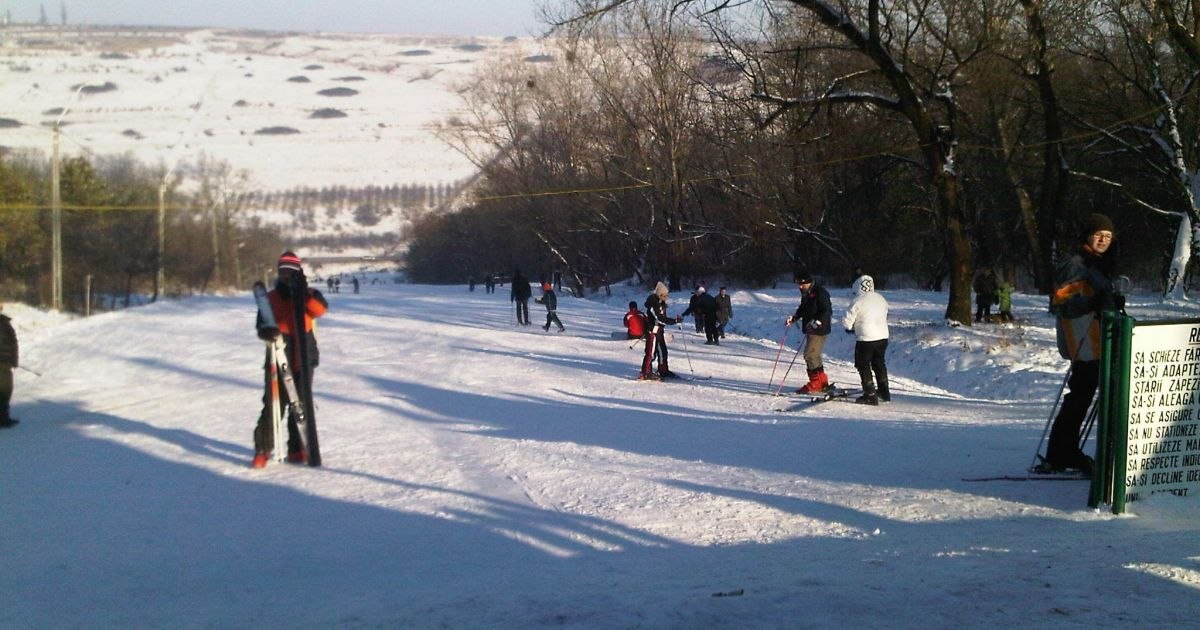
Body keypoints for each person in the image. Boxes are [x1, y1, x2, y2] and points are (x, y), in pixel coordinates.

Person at [1044, 213, 1119, 475]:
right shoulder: (1076, 262)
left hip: (1099, 339)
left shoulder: (1097, 263)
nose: (1103, 240)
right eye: (1098, 234)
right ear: (1088, 236)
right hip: (1084, 340)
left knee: (1083, 396)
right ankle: (1062, 452)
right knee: (1080, 396)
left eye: (1108, 236)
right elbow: (1060, 300)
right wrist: (1094, 303)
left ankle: (1064, 452)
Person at [252, 252, 329, 468]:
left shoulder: (310, 294)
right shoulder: (271, 298)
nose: (287, 276)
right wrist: (266, 332)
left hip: (304, 357)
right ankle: (263, 449)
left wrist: (303, 294)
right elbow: (261, 324)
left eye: (291, 272)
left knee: (302, 404)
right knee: (274, 403)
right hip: (278, 356)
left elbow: (320, 310)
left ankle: (298, 448)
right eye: (283, 272)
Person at [842, 274, 890, 405]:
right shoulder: (881, 298)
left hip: (866, 338)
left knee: (863, 365)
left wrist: (849, 328)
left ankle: (870, 394)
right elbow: (886, 313)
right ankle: (884, 392)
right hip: (883, 337)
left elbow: (847, 320)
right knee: (879, 363)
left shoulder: (858, 300)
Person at [786, 271, 833, 394]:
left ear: (809, 282)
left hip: (818, 329)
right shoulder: (806, 293)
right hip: (810, 328)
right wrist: (794, 318)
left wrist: (817, 321)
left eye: (802, 284)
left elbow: (827, 311)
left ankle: (816, 383)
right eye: (798, 284)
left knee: (809, 355)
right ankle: (822, 381)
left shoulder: (821, 293)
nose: (800, 287)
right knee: (814, 355)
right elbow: (803, 308)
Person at [640, 281, 681, 380]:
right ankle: (645, 372)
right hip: (652, 330)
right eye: (664, 295)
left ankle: (663, 370)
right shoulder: (653, 303)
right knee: (651, 352)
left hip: (659, 330)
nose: (666, 298)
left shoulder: (661, 302)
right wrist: (674, 321)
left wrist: (675, 320)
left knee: (662, 351)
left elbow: (663, 317)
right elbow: (659, 318)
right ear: (659, 294)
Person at [0, 304, 19, 428]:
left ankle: (4, 418)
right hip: (3, 364)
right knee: (4, 391)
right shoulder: (5, 324)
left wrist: (14, 360)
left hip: (6, 363)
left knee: (5, 391)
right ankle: (3, 420)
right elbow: (13, 343)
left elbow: (13, 343)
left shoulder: (6, 324)